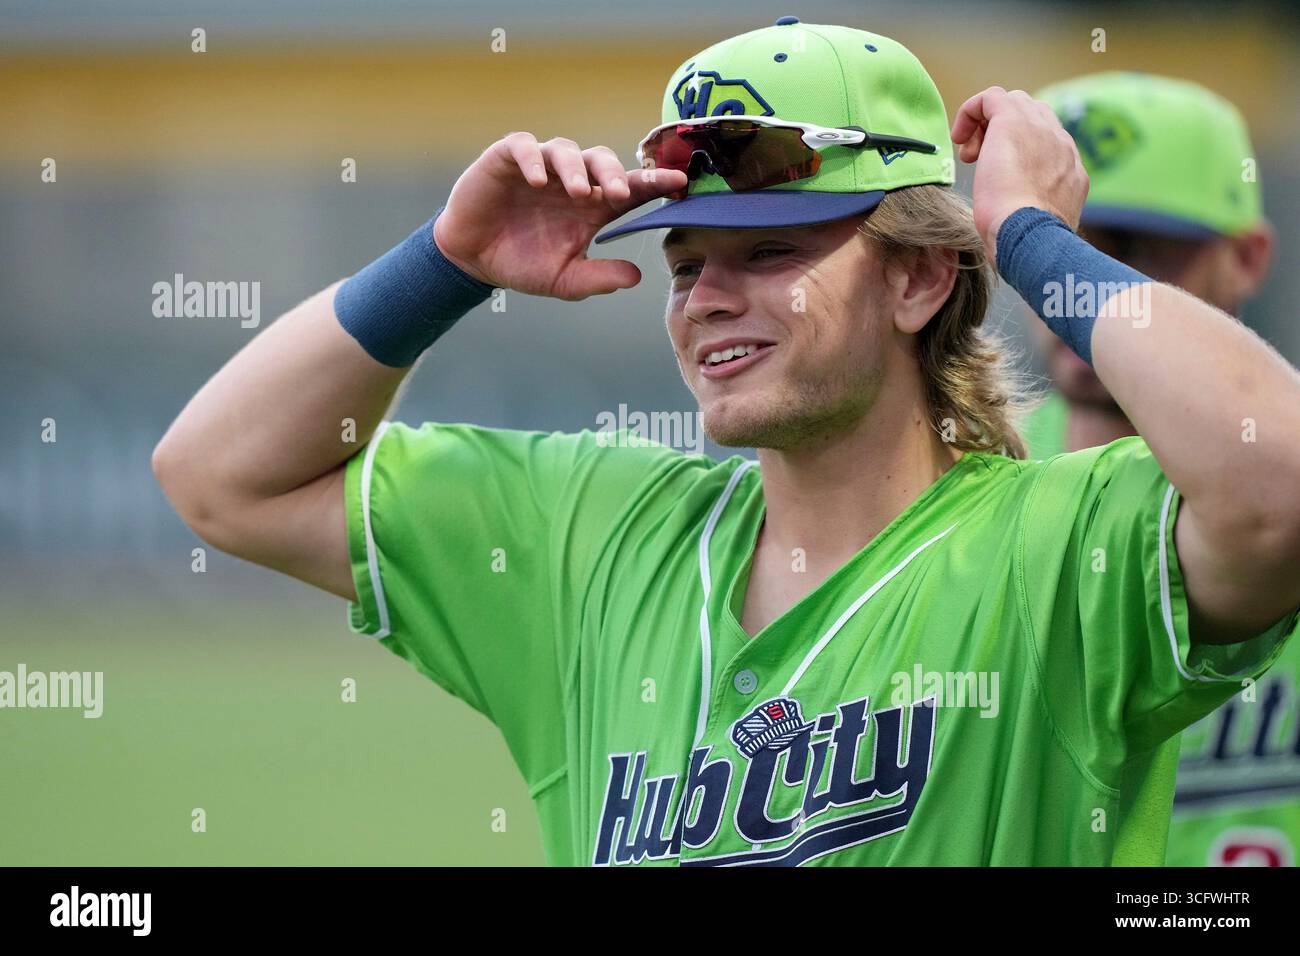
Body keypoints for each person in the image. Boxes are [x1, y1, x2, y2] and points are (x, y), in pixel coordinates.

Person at [152, 19, 1300, 866]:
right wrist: (441, 265)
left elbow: (1280, 482)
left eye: (770, 253)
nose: (707, 297)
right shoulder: (585, 540)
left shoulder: (1059, 546)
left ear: (915, 277)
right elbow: (218, 475)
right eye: (688, 261)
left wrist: (1029, 237)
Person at [1028, 71, 1298, 866]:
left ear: (1247, 257)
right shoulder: (967, 481)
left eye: (1135, 251)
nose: (1083, 285)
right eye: (1065, 247)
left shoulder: (1283, 475)